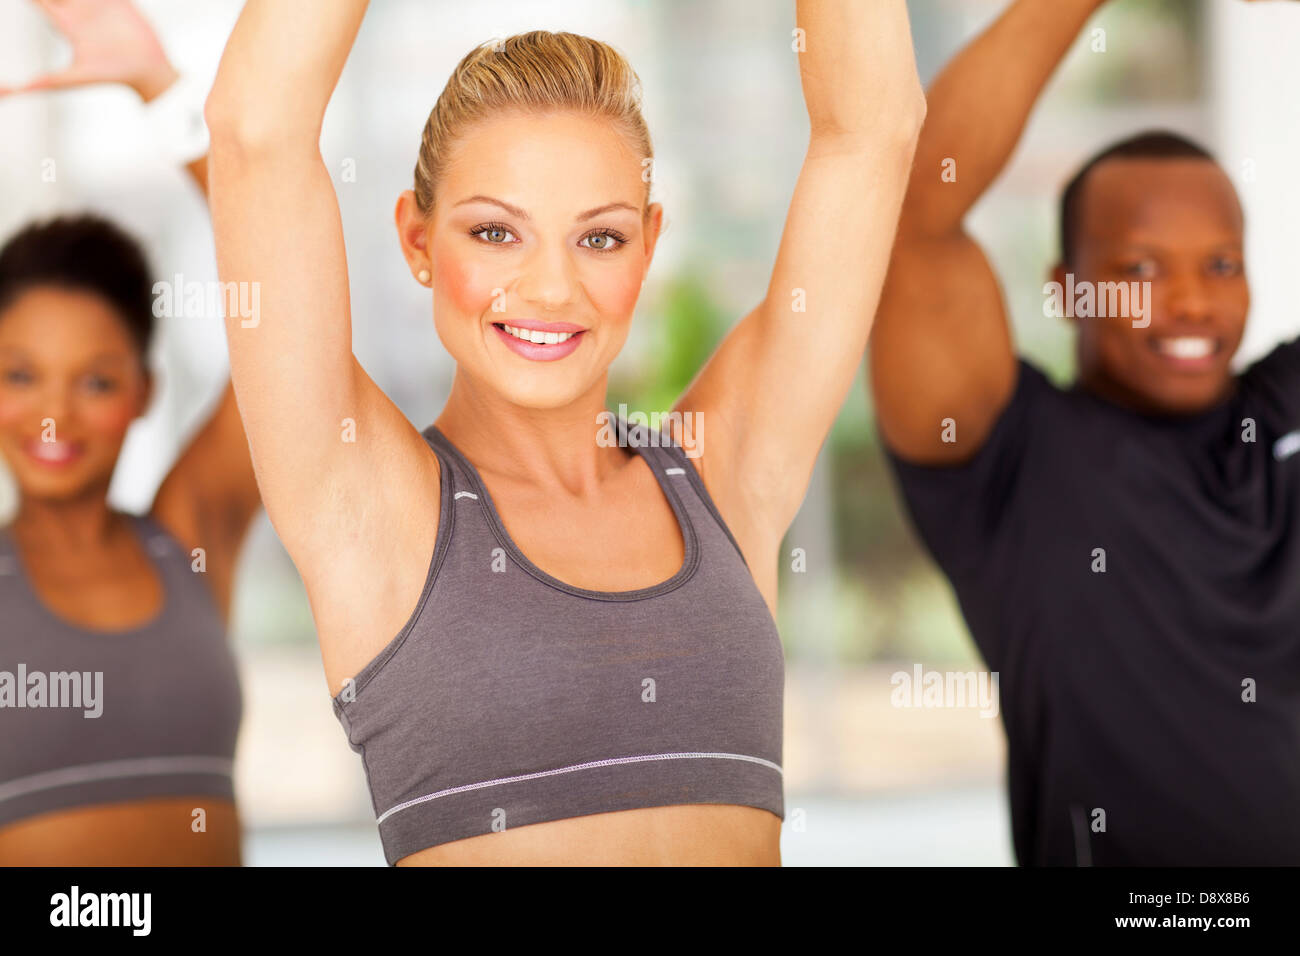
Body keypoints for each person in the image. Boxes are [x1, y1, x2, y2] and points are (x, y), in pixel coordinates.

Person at [203, 0, 925, 865]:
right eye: (496, 232)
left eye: (600, 237)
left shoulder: (725, 475)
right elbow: (257, 134)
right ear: (417, 237)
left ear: (649, 245)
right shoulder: (371, 508)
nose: (551, 289)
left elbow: (872, 129)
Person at [870, 0, 1300, 865]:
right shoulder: (1008, 455)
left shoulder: (1284, 409)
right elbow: (915, 206)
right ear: (1068, 290)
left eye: (1221, 265)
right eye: (1139, 268)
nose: (1188, 301)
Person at [0, 0, 259, 865]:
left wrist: (163, 91)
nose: (54, 414)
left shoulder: (191, 534)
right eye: (21, 374)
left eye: (97, 381)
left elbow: (290, 316)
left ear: (145, 392)